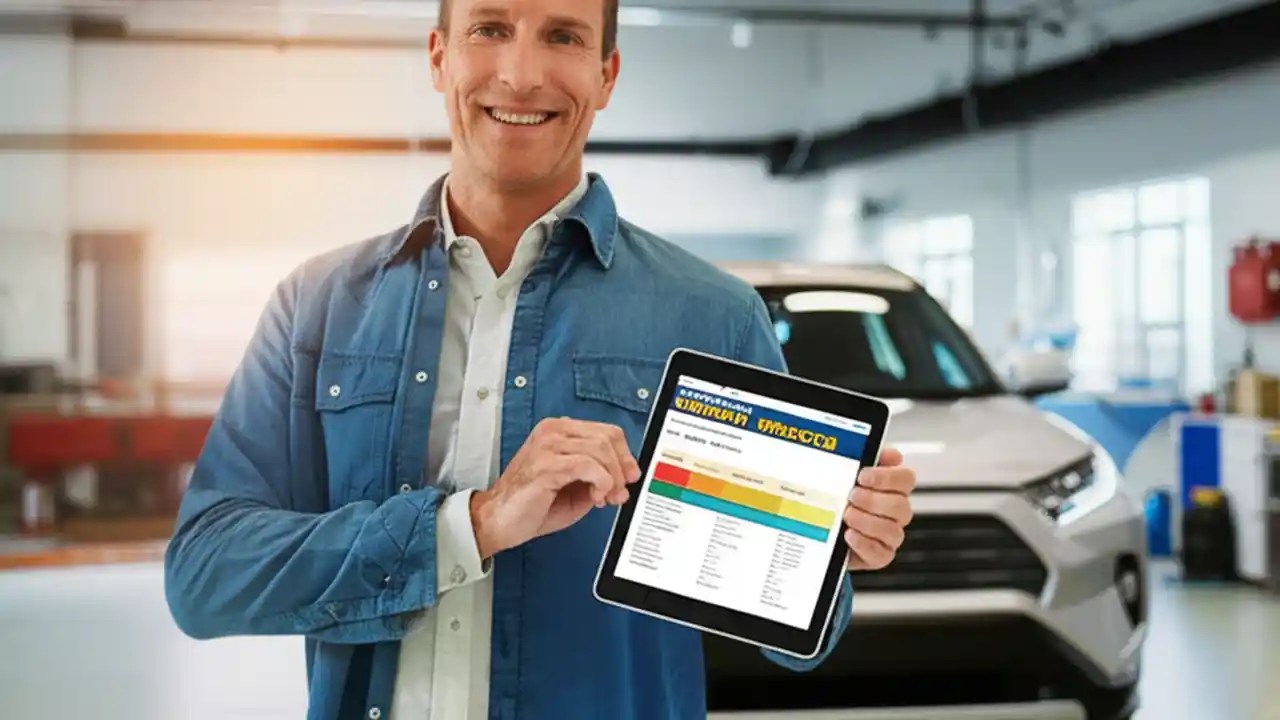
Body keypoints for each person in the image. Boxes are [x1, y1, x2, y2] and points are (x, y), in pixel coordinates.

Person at [163, 0, 916, 718]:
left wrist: (831, 555)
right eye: (490, 27)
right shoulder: (318, 308)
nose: (521, 74)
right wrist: (473, 524)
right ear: (439, 57)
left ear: (606, 75)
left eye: (562, 36)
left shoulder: (711, 315)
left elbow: (796, 645)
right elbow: (204, 576)